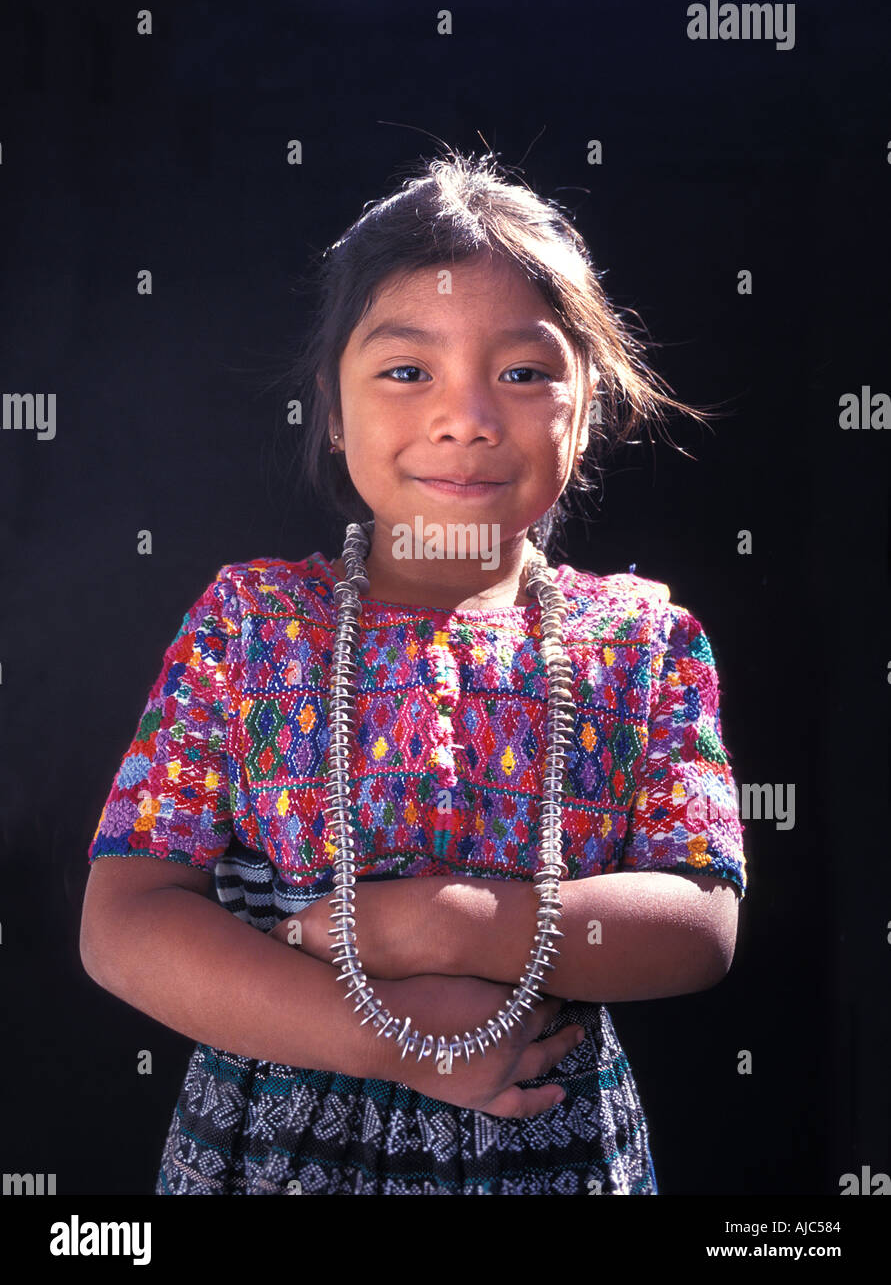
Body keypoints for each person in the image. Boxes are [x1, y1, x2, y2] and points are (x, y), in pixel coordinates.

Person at [80, 148, 746, 1195]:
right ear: (334, 410)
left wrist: (434, 923)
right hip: (270, 1157)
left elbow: (700, 922)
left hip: (551, 1154)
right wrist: (397, 1041)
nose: (466, 416)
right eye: (407, 370)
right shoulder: (251, 626)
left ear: (594, 402)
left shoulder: (640, 643)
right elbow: (124, 923)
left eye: (523, 373)